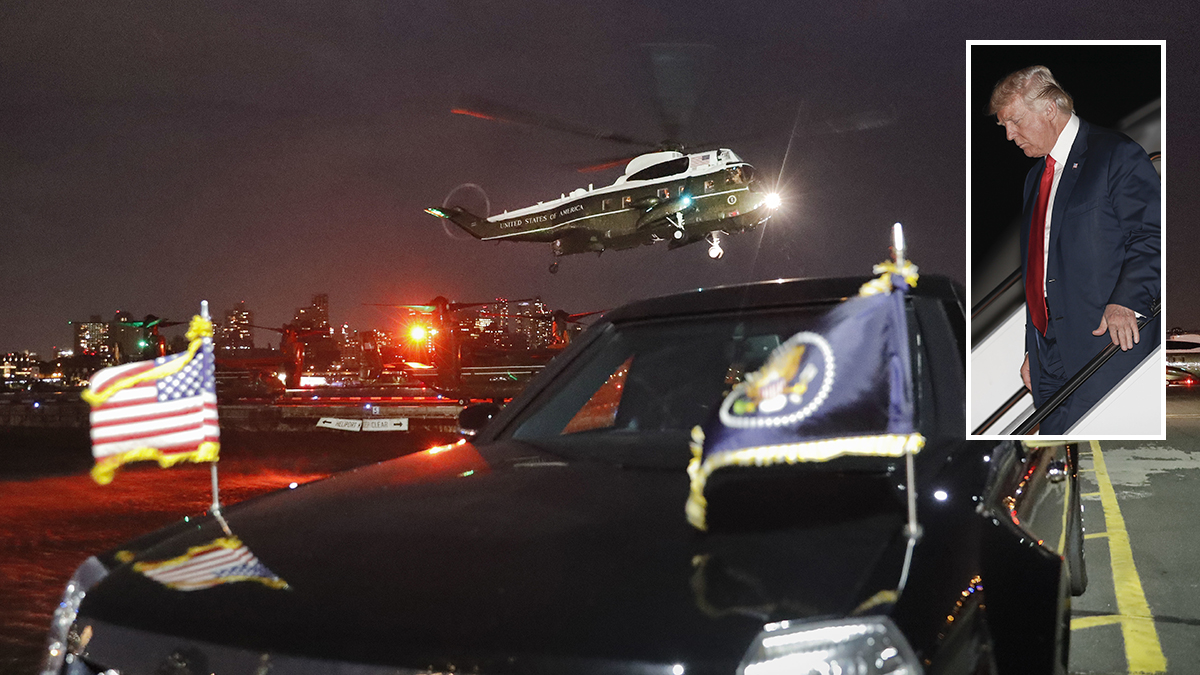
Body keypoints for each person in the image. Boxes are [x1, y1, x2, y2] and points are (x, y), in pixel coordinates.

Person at [989, 65, 1160, 434]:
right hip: (1048, 353)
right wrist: (1032, 347)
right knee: (1057, 457)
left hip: (1106, 341)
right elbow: (1039, 268)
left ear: (1050, 108)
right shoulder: (1036, 177)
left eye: (1015, 121)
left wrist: (1127, 301)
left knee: (1104, 454)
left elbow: (1151, 233)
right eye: (1004, 126)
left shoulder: (1116, 154)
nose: (1009, 135)